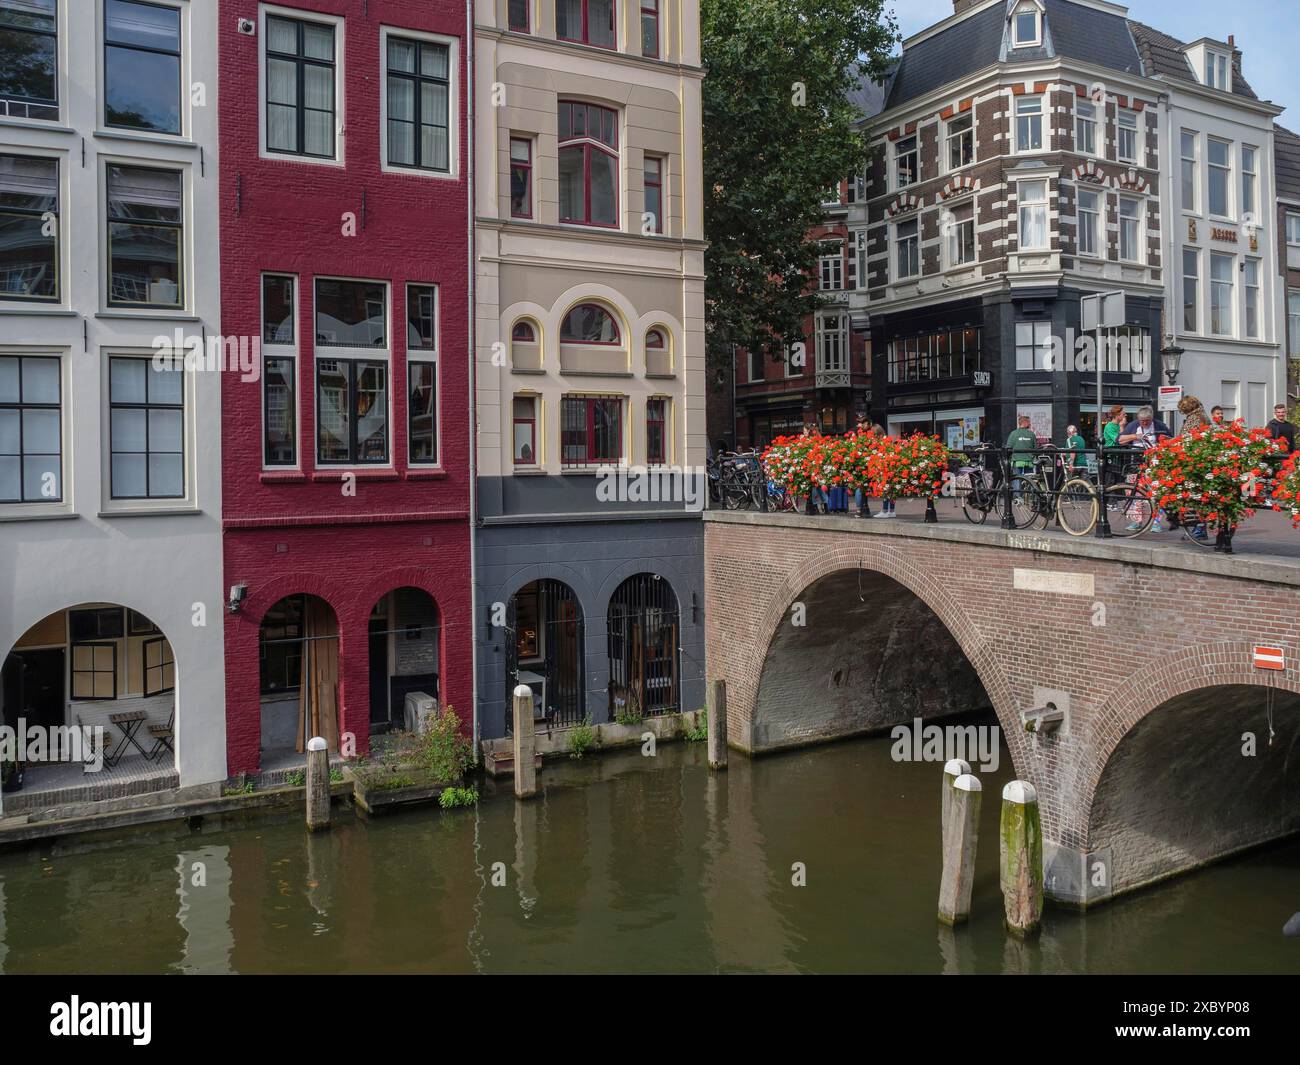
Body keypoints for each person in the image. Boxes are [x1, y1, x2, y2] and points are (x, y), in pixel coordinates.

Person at [872, 422, 897, 518]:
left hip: (885, 468)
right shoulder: (888, 440)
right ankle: (891, 510)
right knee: (891, 490)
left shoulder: (883, 442)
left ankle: (885, 510)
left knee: (886, 489)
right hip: (889, 467)